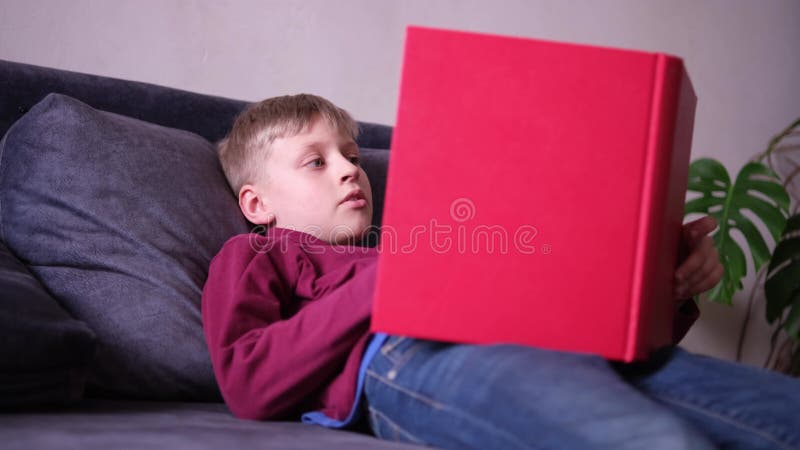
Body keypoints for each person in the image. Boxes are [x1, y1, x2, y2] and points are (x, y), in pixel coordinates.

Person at [201, 94, 800, 450]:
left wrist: (669, 291)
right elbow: (247, 379)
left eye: (353, 157)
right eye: (316, 161)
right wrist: (400, 277)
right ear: (257, 205)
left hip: (554, 342)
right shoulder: (256, 254)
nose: (349, 171)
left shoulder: (414, 243)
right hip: (407, 355)